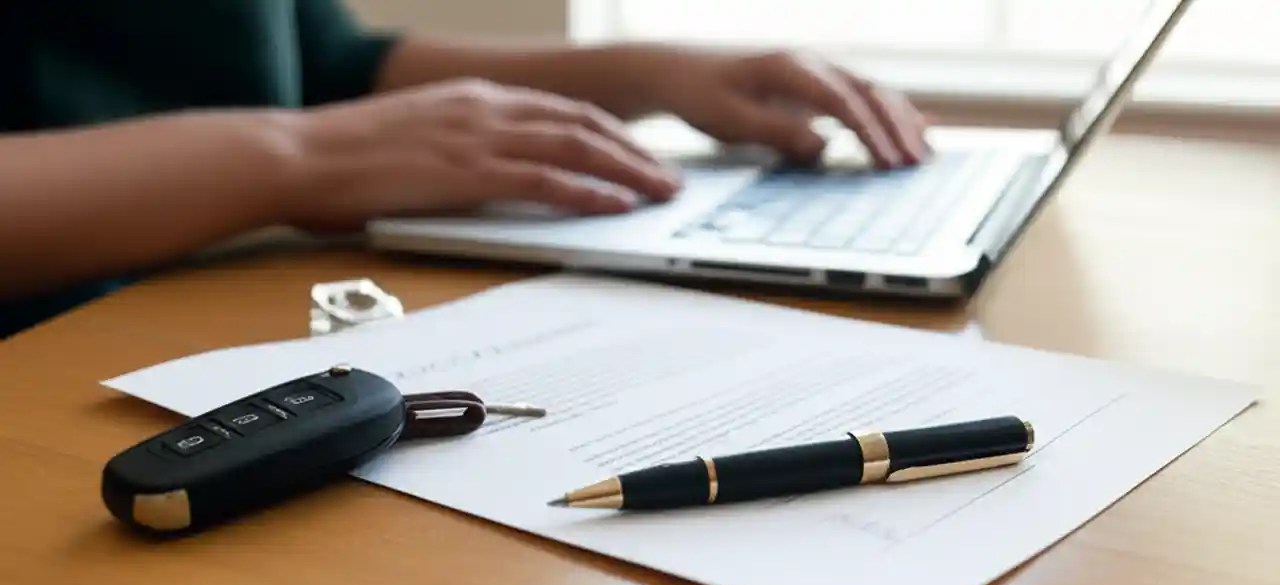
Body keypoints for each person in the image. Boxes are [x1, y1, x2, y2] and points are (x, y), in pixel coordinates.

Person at [0, 0, 931, 337]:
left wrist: (656, 73)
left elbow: (328, 66)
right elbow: (315, 120)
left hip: (187, 318)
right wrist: (303, 158)